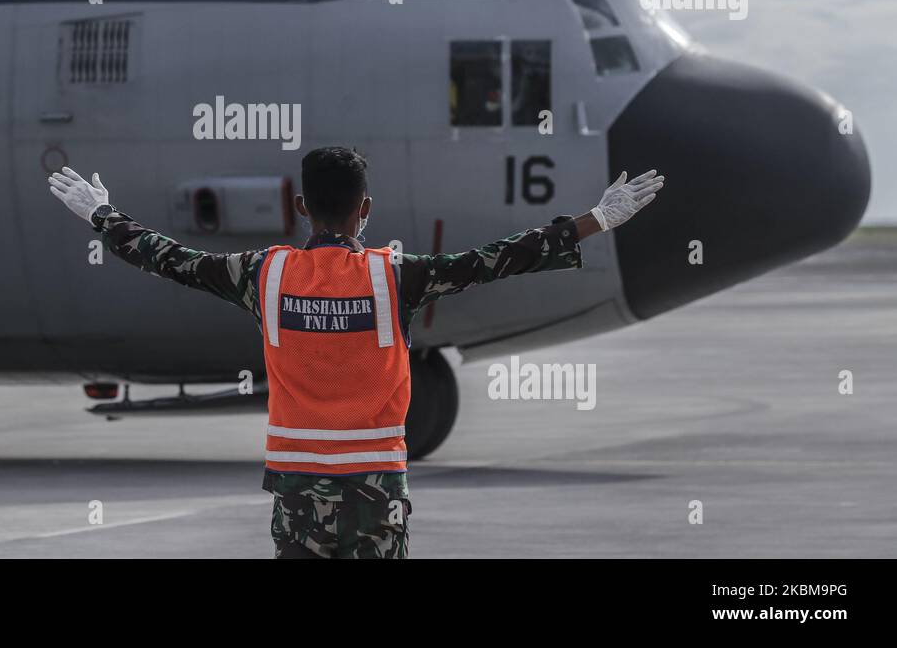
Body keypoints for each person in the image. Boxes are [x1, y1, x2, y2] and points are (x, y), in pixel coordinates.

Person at [49, 147, 664, 558]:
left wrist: (102, 214)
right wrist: (594, 221)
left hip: (296, 488)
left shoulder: (262, 275)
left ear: (300, 207)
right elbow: (495, 260)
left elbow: (170, 259)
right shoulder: (393, 278)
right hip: (374, 489)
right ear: (364, 210)